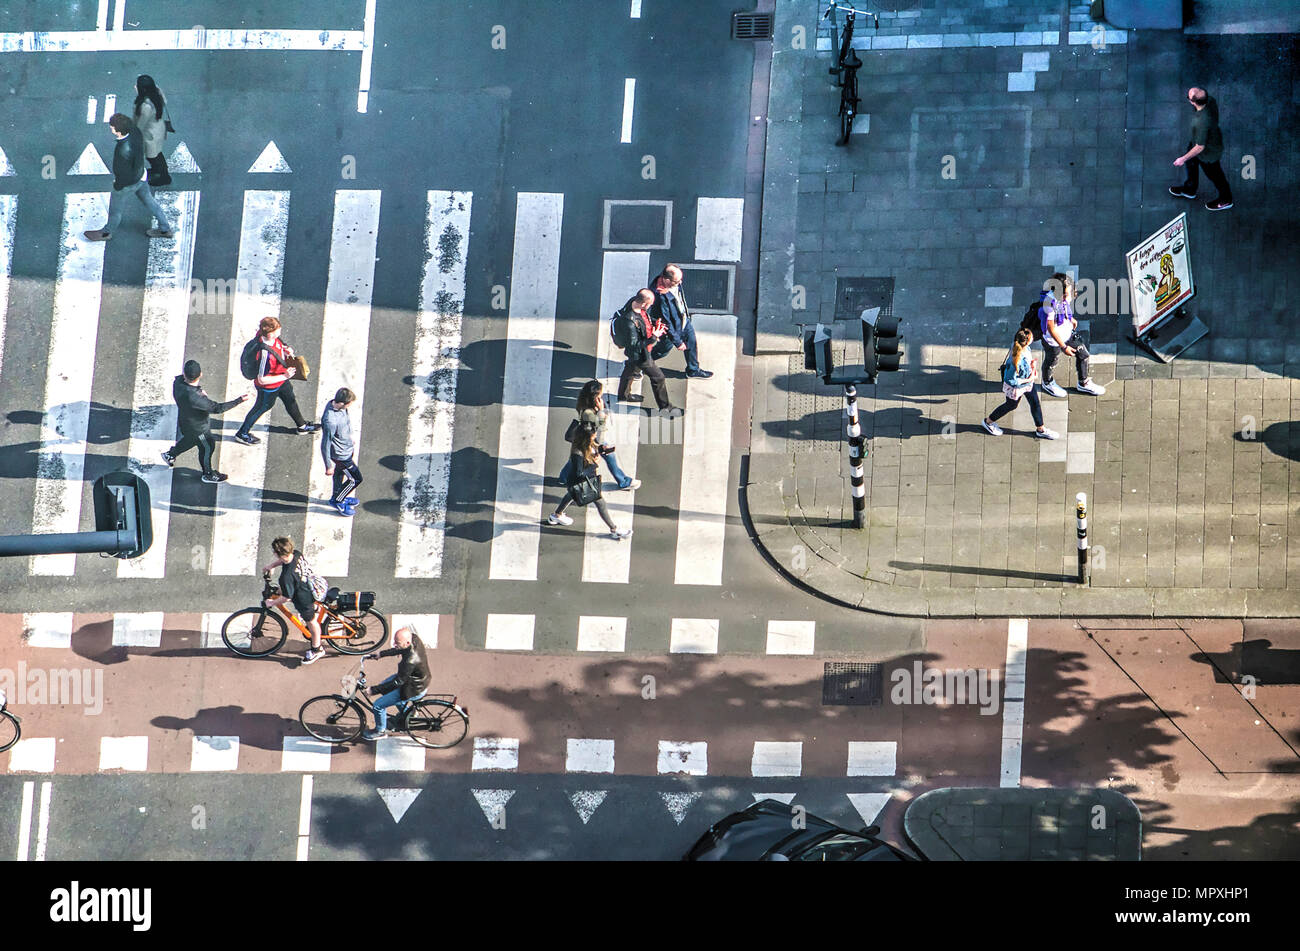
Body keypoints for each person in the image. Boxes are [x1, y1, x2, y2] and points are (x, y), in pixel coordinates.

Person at [82, 113, 174, 241]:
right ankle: (165, 228)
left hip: (129, 183)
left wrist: (118, 184)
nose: (110, 128)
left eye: (112, 127)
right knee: (150, 202)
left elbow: (124, 175)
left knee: (115, 211)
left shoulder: (122, 151)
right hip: (142, 176)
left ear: (117, 131)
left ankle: (106, 233)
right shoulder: (135, 133)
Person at [233, 316, 319, 445]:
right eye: (278, 330)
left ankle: (302, 426)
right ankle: (242, 433)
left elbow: (279, 344)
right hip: (269, 387)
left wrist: (286, 349)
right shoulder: (264, 355)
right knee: (261, 408)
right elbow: (262, 380)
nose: (281, 331)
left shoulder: (266, 336)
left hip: (281, 379)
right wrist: (285, 376)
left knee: (291, 400)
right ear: (271, 334)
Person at [162, 359, 249, 483]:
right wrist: (239, 400)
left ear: (185, 374)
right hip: (199, 429)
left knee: (190, 440)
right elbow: (217, 408)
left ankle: (171, 454)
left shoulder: (178, 383)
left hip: (186, 422)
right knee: (207, 448)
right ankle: (208, 474)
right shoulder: (196, 398)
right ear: (201, 374)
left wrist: (199, 393)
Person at [547, 428, 632, 539]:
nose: (595, 437)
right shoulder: (577, 453)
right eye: (593, 435)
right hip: (581, 482)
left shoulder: (589, 444)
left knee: (571, 494)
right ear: (585, 438)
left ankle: (556, 515)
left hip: (580, 481)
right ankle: (614, 529)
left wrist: (601, 449)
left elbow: (594, 450)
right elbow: (579, 473)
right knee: (600, 503)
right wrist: (595, 464)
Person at [559, 380, 640, 491]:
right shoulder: (589, 412)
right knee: (609, 456)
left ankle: (563, 477)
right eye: (600, 395)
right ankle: (623, 481)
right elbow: (600, 434)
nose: (602, 397)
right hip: (591, 440)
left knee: (576, 458)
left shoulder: (583, 402)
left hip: (583, 438)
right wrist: (601, 412)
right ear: (595, 397)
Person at [261, 536, 328, 666]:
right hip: (309, 584)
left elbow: (286, 597)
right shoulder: (296, 553)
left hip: (304, 597)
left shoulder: (286, 577)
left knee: (312, 623)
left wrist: (272, 603)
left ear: (277, 553)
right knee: (282, 590)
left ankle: (317, 649)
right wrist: (271, 565)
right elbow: (284, 561)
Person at [616, 289, 683, 416]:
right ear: (643, 304)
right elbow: (635, 346)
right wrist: (654, 336)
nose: (651, 306)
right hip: (641, 355)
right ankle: (666, 409)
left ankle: (624, 395)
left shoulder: (634, 304)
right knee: (658, 378)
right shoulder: (629, 322)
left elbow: (644, 319)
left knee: (631, 369)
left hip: (636, 354)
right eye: (650, 304)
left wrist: (655, 322)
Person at [982, 328, 1058, 439]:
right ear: (1027, 341)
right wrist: (1030, 378)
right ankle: (988, 422)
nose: (1033, 338)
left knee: (1035, 403)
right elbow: (1012, 380)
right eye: (1031, 337)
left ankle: (1040, 429)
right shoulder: (1016, 360)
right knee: (1011, 405)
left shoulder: (1024, 348)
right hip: (1016, 387)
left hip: (1027, 384)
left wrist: (1032, 367)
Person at [1038, 273, 1105, 398]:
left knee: (1083, 354)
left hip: (1067, 332)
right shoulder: (1049, 304)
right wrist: (1063, 347)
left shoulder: (1063, 298)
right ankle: (1047, 382)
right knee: (1051, 361)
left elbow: (1064, 308)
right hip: (1054, 340)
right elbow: (1051, 328)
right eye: (1066, 293)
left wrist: (1070, 318)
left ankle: (1083, 383)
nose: (1069, 295)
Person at [362, 625, 431, 741]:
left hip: (413, 687)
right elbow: (401, 648)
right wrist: (382, 654)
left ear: (408, 642)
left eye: (397, 642)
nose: (395, 644)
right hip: (416, 679)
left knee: (378, 705)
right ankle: (406, 715)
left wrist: (373, 690)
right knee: (385, 686)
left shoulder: (410, 660)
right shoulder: (414, 639)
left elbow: (398, 682)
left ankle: (380, 731)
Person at [1169, 87, 1232, 211]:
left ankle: (1226, 199)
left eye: (1189, 97)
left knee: (1216, 176)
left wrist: (1183, 158)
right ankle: (1190, 189)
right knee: (1191, 165)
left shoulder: (1201, 122)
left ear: (1193, 102)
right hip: (1202, 143)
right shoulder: (1211, 101)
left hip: (1208, 154)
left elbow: (1200, 147)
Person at [651, 264, 713, 379]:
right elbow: (666, 321)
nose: (680, 283)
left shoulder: (673, 284)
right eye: (676, 281)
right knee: (662, 351)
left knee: (691, 343)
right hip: (672, 329)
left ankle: (693, 370)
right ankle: (639, 363)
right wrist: (677, 341)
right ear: (666, 280)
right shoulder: (660, 297)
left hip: (683, 321)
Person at [321, 386, 362, 517]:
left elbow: (346, 423)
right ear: (342, 403)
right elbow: (325, 444)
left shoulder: (340, 408)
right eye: (349, 404)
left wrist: (350, 437)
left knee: (339, 475)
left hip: (347, 448)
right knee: (355, 479)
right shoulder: (330, 420)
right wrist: (328, 465)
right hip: (341, 456)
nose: (350, 406)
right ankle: (339, 501)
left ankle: (338, 496)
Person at [133, 74, 170, 188]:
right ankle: (159, 171)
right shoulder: (157, 96)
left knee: (153, 156)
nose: (135, 87)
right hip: (157, 128)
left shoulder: (145, 106)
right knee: (157, 154)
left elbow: (140, 125)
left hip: (150, 135)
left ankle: (164, 177)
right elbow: (164, 100)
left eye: (137, 86)